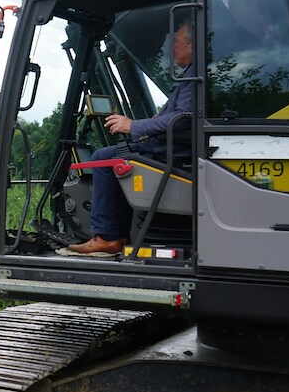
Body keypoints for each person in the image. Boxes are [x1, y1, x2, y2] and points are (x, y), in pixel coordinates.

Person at [66, 19, 196, 255]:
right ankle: (120, 233)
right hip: (174, 147)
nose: (173, 47)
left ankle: (106, 236)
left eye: (176, 42)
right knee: (116, 154)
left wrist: (133, 126)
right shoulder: (193, 75)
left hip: (174, 152)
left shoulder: (193, 77)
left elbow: (183, 118)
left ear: (191, 46)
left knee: (103, 158)